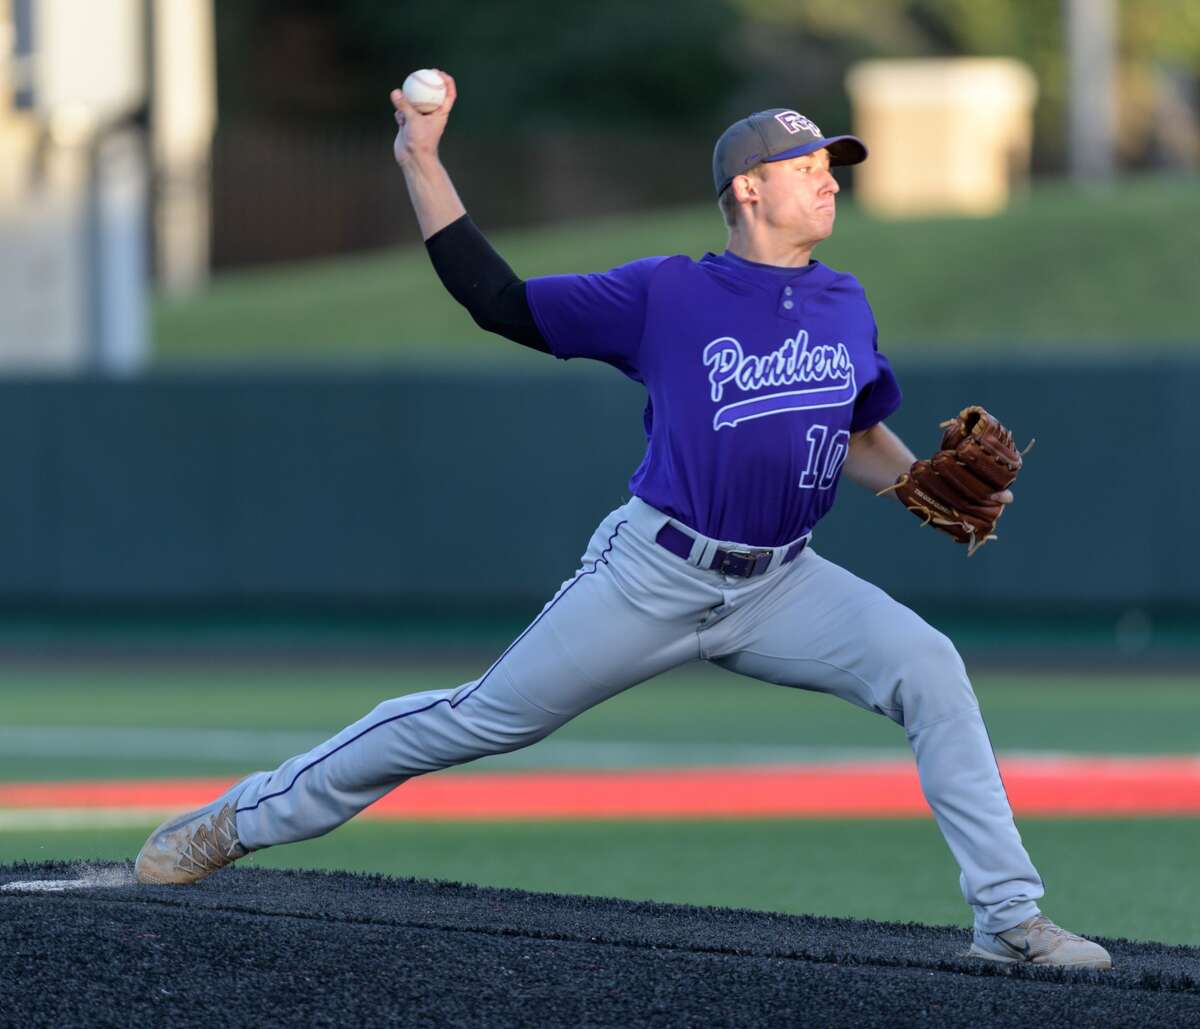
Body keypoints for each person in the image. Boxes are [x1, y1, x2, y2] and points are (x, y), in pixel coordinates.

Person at [136, 72, 1110, 971]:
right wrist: (422, 158)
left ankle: (1008, 916)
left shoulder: (842, 301)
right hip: (656, 574)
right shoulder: (667, 294)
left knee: (929, 666)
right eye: (806, 165)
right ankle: (237, 820)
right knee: (478, 718)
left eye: (831, 165)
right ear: (748, 190)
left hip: (783, 582)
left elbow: (857, 431)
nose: (829, 180)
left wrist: (920, 488)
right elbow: (500, 303)